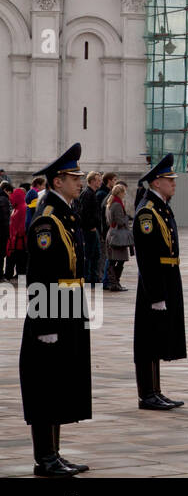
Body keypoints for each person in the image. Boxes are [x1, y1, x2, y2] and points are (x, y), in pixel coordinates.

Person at [19, 143, 91, 477]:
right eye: (73, 176)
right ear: (57, 181)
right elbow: (39, 276)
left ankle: (55, 454)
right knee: (46, 385)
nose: (79, 181)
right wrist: (45, 325)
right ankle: (44, 458)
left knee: (60, 382)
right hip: (52, 313)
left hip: (68, 308)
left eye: (78, 176)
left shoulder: (64, 214)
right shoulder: (47, 220)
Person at [132, 154, 186, 411]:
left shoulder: (162, 207)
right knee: (147, 340)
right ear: (155, 182)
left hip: (167, 279)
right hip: (154, 285)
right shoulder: (147, 212)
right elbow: (147, 257)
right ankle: (146, 394)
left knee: (157, 338)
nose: (174, 183)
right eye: (169, 179)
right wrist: (156, 295)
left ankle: (155, 390)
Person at [103, 182, 133, 291]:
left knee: (113, 260)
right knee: (118, 261)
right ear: (119, 193)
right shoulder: (117, 204)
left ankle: (114, 283)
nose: (124, 194)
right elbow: (120, 221)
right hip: (118, 236)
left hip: (112, 233)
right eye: (123, 192)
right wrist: (127, 218)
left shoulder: (110, 203)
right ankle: (115, 283)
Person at [76, 172, 103, 291]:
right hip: (89, 230)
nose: (100, 182)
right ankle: (88, 279)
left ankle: (93, 278)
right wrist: (91, 226)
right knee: (89, 255)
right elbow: (85, 213)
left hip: (93, 229)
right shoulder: (88, 194)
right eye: (98, 180)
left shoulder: (93, 193)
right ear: (92, 181)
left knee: (95, 255)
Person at [6, 183, 26, 280]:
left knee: (19, 259)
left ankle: (19, 276)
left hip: (19, 240)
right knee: (15, 258)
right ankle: (13, 275)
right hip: (14, 239)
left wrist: (17, 234)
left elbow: (22, 225)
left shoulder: (22, 208)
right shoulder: (17, 208)